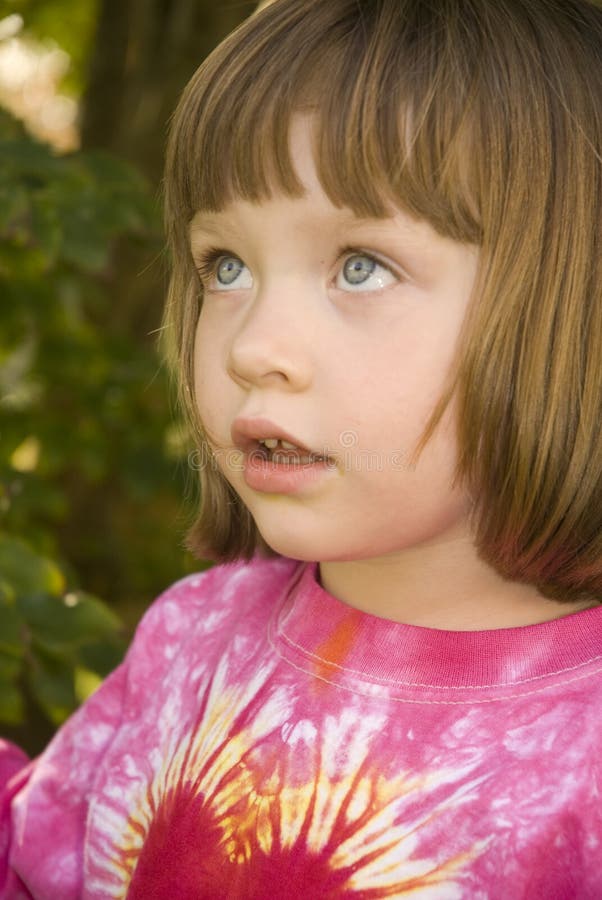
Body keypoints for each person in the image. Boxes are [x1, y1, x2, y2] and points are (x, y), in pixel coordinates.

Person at [2, 0, 602, 895]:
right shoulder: (195, 634)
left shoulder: (583, 767)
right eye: (225, 267)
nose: (251, 347)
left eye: (361, 265)